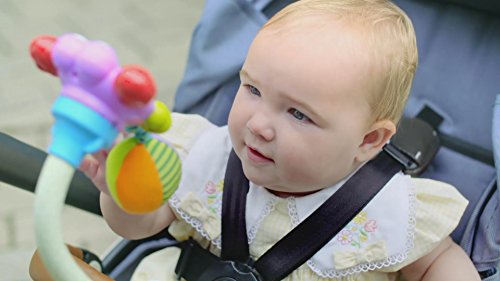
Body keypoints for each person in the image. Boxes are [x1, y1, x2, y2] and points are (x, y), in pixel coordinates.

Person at [29, 0, 481, 280]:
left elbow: (436, 264)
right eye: (253, 90)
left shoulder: (390, 210)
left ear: (368, 140)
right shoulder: (203, 154)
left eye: (299, 113)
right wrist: (120, 189)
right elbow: (138, 227)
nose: (259, 124)